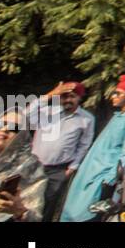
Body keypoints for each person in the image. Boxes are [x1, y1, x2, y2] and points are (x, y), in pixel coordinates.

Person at [60, 74, 125, 222]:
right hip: (89, 171)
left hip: (103, 176)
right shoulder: (119, 115)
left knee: (88, 213)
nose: (114, 96)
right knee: (71, 209)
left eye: (118, 93)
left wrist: (111, 178)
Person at [26, 81, 96, 222]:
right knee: (27, 199)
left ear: (80, 98)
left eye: (72, 96)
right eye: (64, 96)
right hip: (34, 166)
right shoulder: (48, 111)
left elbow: (84, 144)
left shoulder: (87, 119)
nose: (68, 100)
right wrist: (52, 94)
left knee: (48, 203)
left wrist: (73, 165)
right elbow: (26, 114)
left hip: (58, 170)